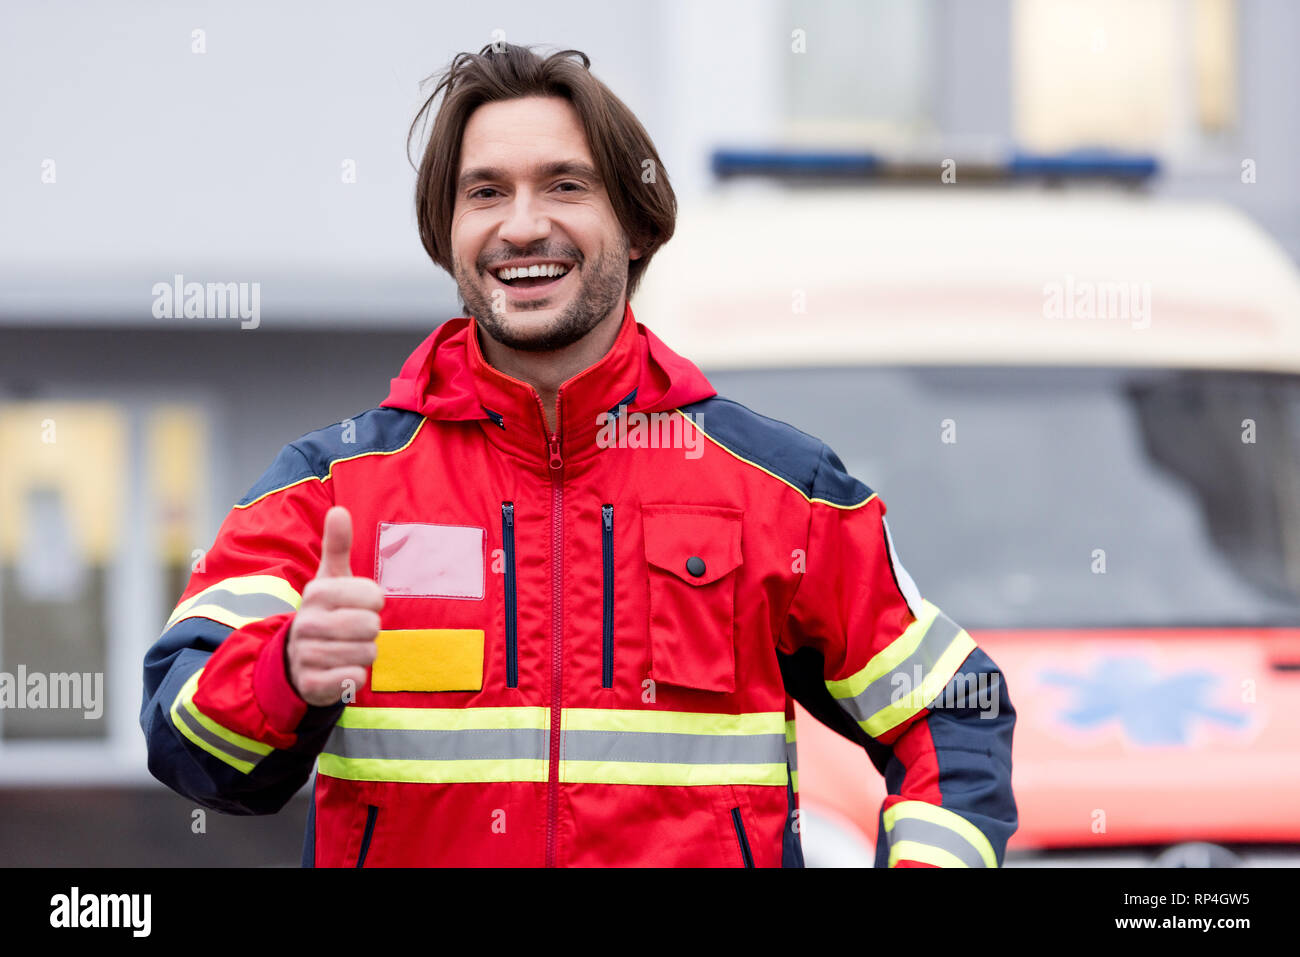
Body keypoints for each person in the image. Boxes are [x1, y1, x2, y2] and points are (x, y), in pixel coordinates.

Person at [140, 42, 1016, 868]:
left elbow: (955, 709)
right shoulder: (328, 490)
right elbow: (182, 744)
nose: (523, 226)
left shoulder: (779, 490)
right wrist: (285, 669)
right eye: (485, 193)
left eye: (564, 185)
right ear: (447, 236)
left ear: (636, 229)